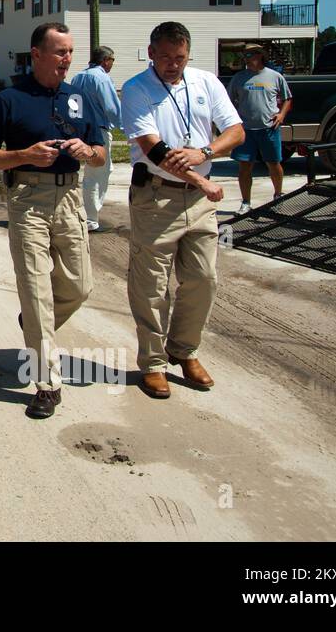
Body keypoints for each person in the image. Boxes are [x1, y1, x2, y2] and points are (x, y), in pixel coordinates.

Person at [0, 23, 107, 419]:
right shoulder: (10, 100)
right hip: (27, 198)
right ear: (36, 54)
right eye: (60, 52)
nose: (67, 59)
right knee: (35, 288)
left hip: (69, 196)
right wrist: (23, 156)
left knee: (80, 286)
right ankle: (46, 383)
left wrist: (89, 151)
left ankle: (34, 323)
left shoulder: (79, 97)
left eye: (70, 52)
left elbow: (100, 153)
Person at [121, 22, 245, 399]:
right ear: (151, 53)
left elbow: (235, 131)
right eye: (166, 57)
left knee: (203, 279)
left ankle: (184, 350)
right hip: (157, 198)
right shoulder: (136, 89)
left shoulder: (206, 83)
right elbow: (154, 148)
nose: (173, 65)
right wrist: (203, 181)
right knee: (151, 287)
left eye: (180, 58)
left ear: (188, 55)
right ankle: (154, 364)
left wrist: (204, 153)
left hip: (200, 204)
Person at [228, 44, 293, 213]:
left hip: (269, 128)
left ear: (260, 56)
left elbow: (288, 98)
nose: (247, 57)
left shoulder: (274, 76)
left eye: (250, 54)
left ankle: (278, 195)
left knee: (273, 163)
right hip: (246, 131)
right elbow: (228, 102)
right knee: (244, 166)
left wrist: (281, 115)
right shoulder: (239, 78)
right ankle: (246, 202)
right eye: (246, 54)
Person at [72, 45, 123, 232]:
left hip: (81, 130)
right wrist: (124, 127)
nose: (112, 64)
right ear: (105, 60)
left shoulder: (78, 77)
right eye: (112, 60)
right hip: (98, 132)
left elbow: (73, 105)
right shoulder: (102, 78)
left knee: (94, 172)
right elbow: (111, 107)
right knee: (98, 173)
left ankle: (87, 213)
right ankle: (91, 218)